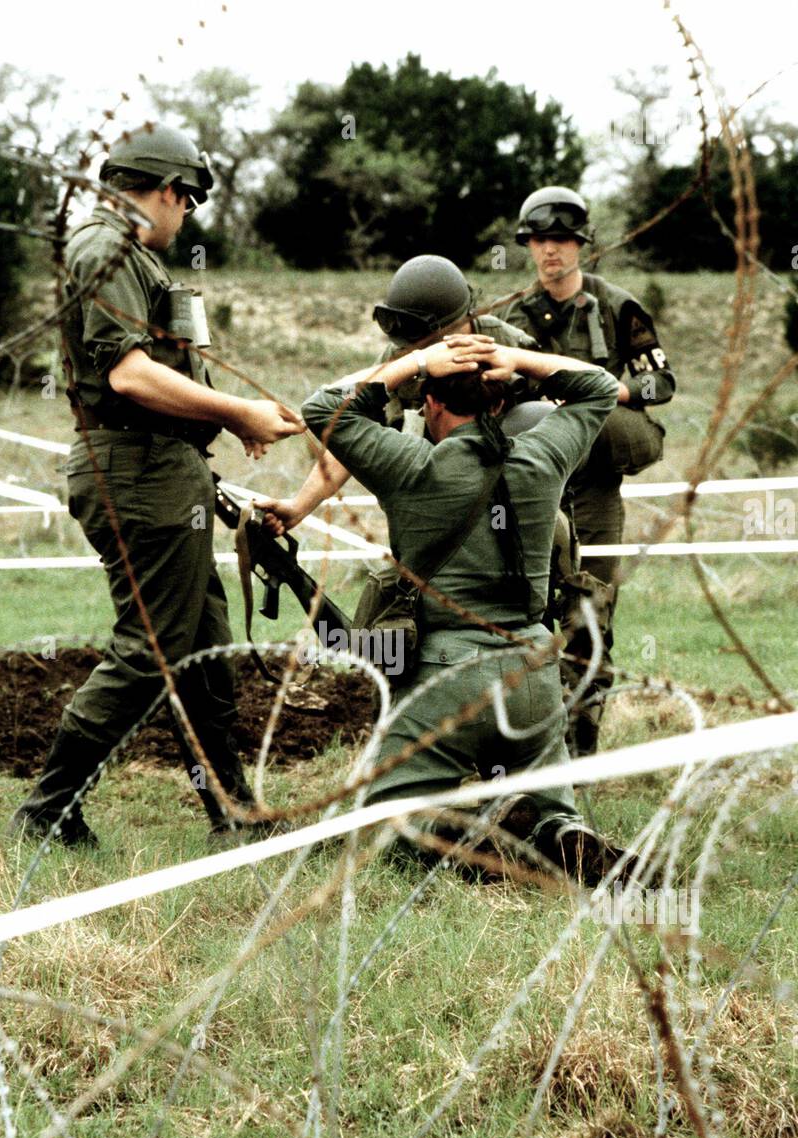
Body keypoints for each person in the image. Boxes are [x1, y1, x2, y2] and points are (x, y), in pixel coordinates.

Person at [10, 125, 304, 846]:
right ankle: (47, 812)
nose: (187, 218)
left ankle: (233, 811)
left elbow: (154, 376)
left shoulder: (129, 255)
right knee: (153, 648)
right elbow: (128, 375)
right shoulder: (104, 248)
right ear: (171, 191)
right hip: (135, 472)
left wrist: (227, 433)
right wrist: (239, 410)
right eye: (189, 202)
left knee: (200, 647)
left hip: (162, 471)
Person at [300, 333, 633, 885]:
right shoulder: (541, 457)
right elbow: (599, 388)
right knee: (551, 798)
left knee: (383, 830)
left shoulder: (410, 466)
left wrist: (412, 361)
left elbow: (321, 408)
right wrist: (518, 359)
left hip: (445, 682)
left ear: (429, 403)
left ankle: (465, 831)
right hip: (533, 674)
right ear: (499, 401)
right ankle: (557, 829)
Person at [499, 186, 676, 756]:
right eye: (539, 241)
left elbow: (661, 383)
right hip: (530, 489)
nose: (551, 251)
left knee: (591, 615)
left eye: (561, 240)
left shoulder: (618, 307)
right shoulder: (511, 317)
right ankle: (519, 746)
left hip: (594, 489)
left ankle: (581, 757)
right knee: (519, 612)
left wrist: (606, 391)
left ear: (581, 245)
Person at [259, 254, 539, 530]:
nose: (409, 348)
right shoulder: (402, 359)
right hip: (431, 507)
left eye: (418, 338)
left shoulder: (509, 345)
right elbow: (352, 432)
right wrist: (299, 507)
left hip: (510, 504)